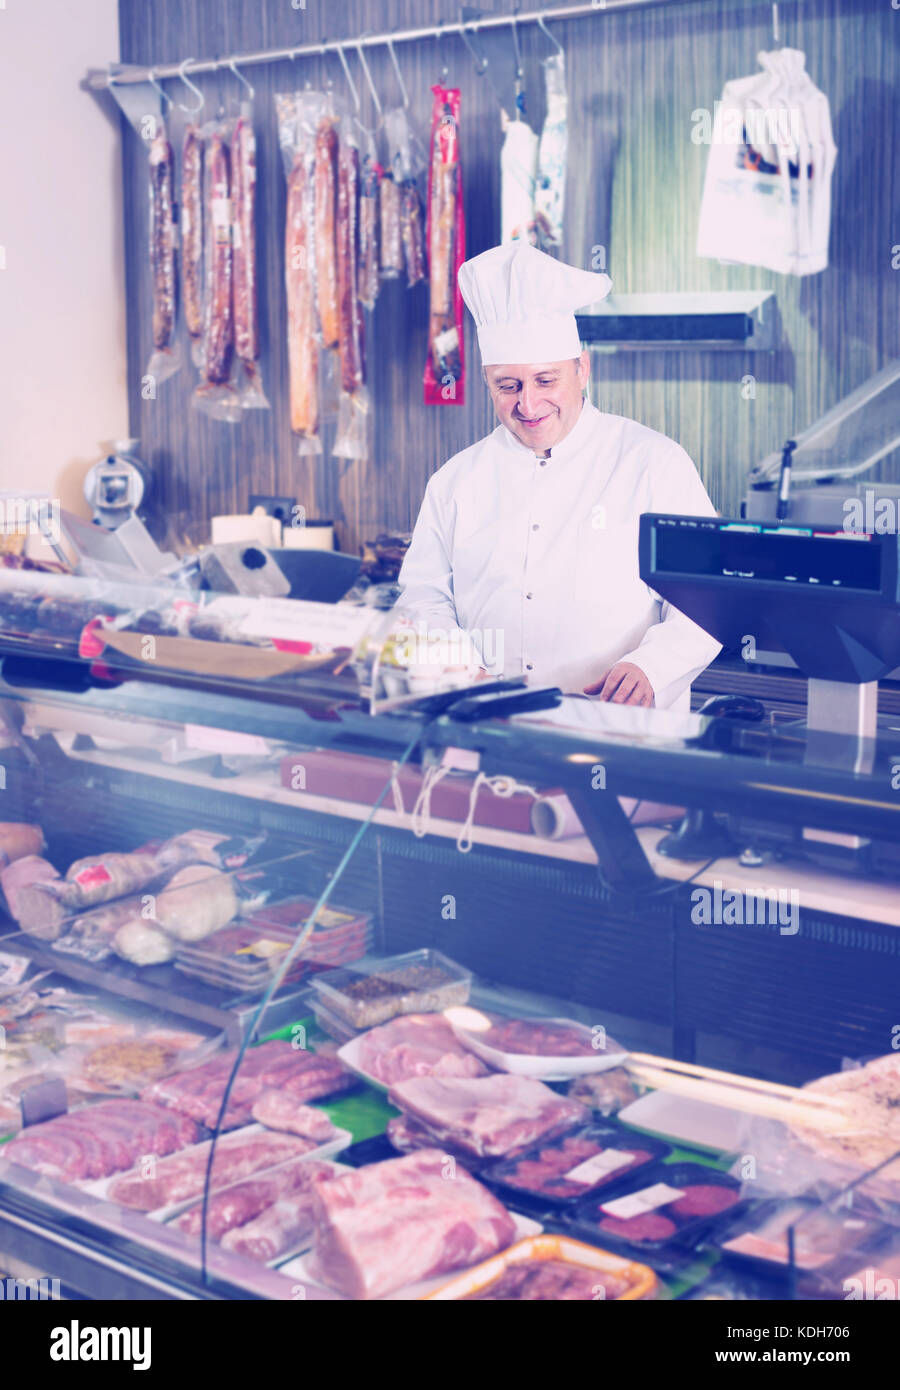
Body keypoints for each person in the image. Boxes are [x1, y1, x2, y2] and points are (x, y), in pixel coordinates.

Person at [397, 241, 720, 709]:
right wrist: (453, 662)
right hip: (491, 726)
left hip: (622, 733)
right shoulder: (455, 482)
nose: (528, 404)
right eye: (508, 386)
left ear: (582, 370)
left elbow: (707, 596)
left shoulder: (654, 463)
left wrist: (653, 666)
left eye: (546, 381)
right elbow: (422, 598)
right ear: (488, 382)